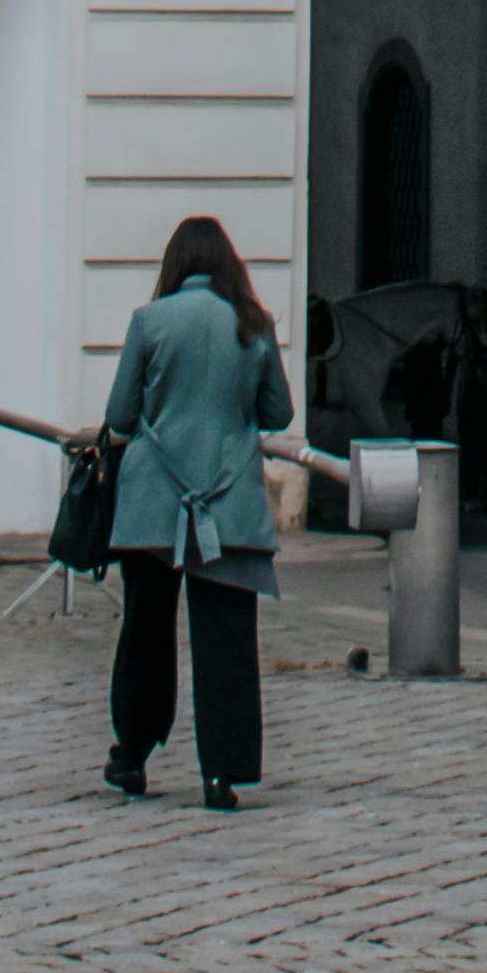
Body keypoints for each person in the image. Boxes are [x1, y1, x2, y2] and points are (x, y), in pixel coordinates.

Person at [91, 213, 291, 812]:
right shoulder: (254, 325)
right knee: (226, 637)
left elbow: (121, 415)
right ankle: (220, 775)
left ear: (174, 263)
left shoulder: (150, 322)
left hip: (156, 497)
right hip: (229, 503)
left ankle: (132, 755)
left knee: (146, 630)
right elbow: (278, 413)